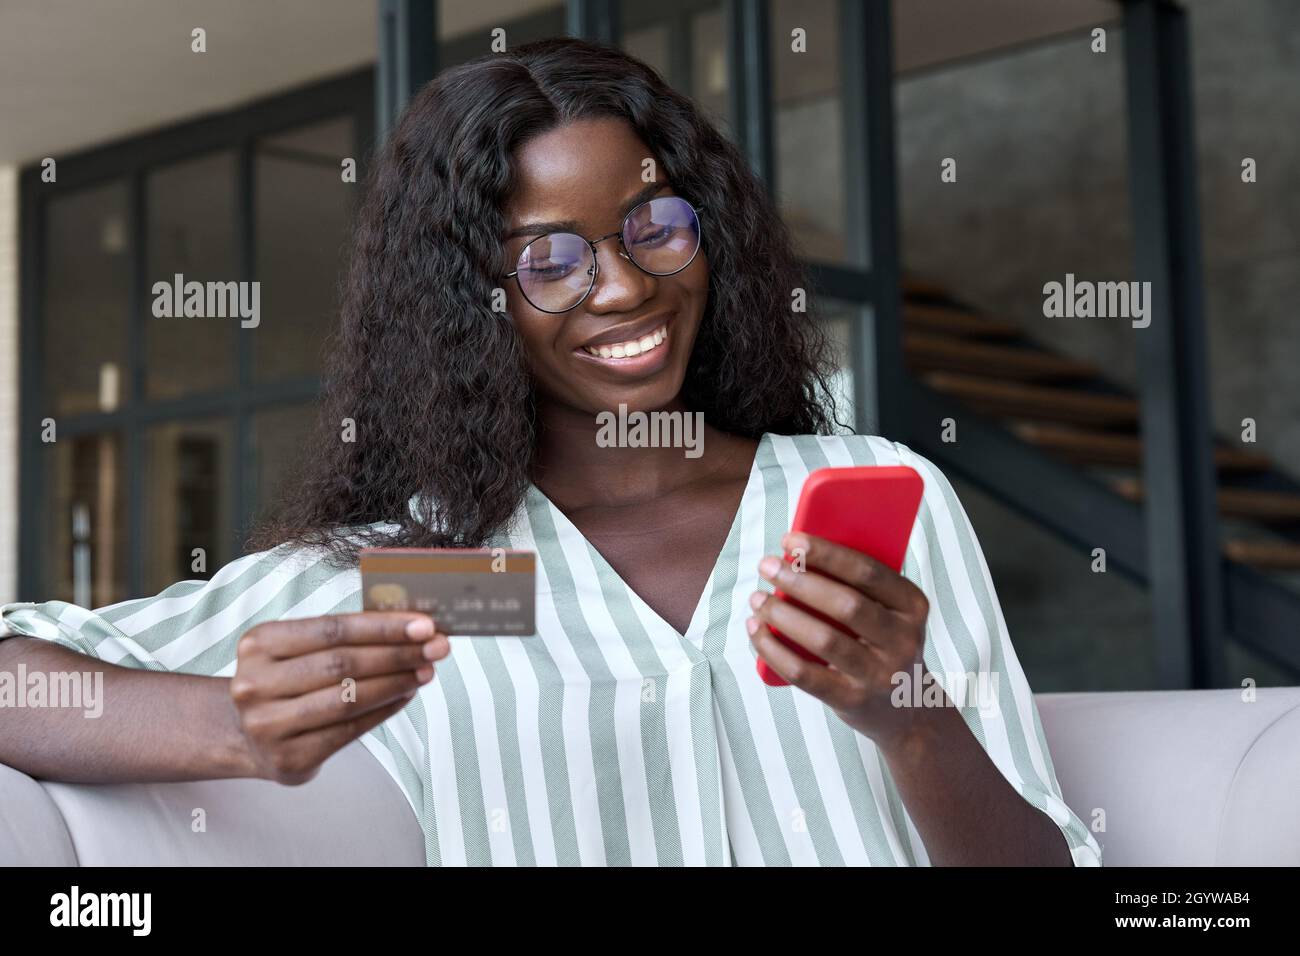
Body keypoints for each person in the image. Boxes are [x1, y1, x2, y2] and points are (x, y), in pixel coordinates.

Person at [0, 37, 1101, 867]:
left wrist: (909, 720)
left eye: (654, 226)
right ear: (465, 304)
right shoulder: (449, 574)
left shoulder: (865, 499)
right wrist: (230, 725)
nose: (624, 286)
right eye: (550, 259)